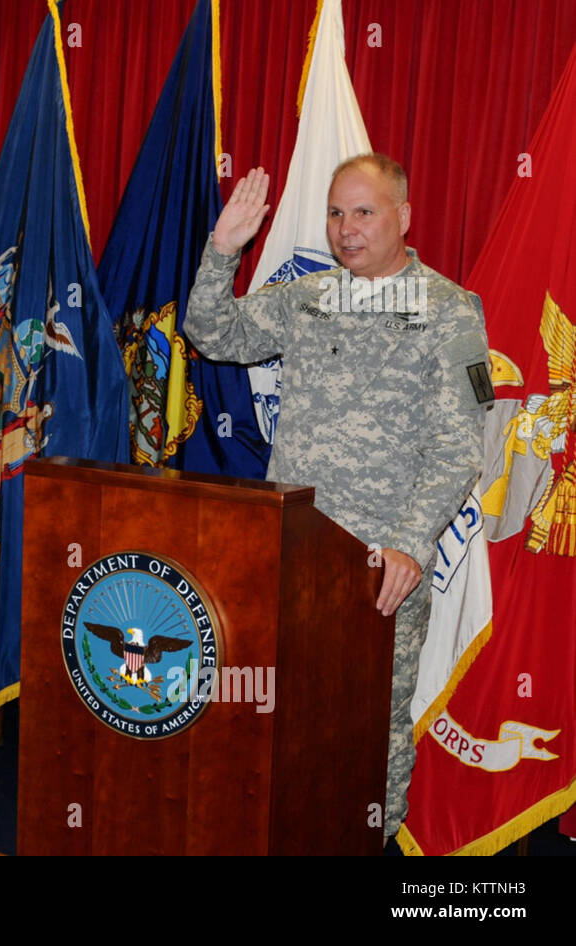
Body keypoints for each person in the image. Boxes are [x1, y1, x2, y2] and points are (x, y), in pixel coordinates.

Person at [184, 154, 492, 840]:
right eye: (334, 213)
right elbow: (212, 334)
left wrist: (411, 545)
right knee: (278, 727)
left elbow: (459, 444)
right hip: (292, 556)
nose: (345, 229)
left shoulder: (450, 311)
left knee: (367, 739)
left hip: (376, 569)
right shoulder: (309, 296)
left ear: (404, 218)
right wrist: (221, 251)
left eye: (364, 212)